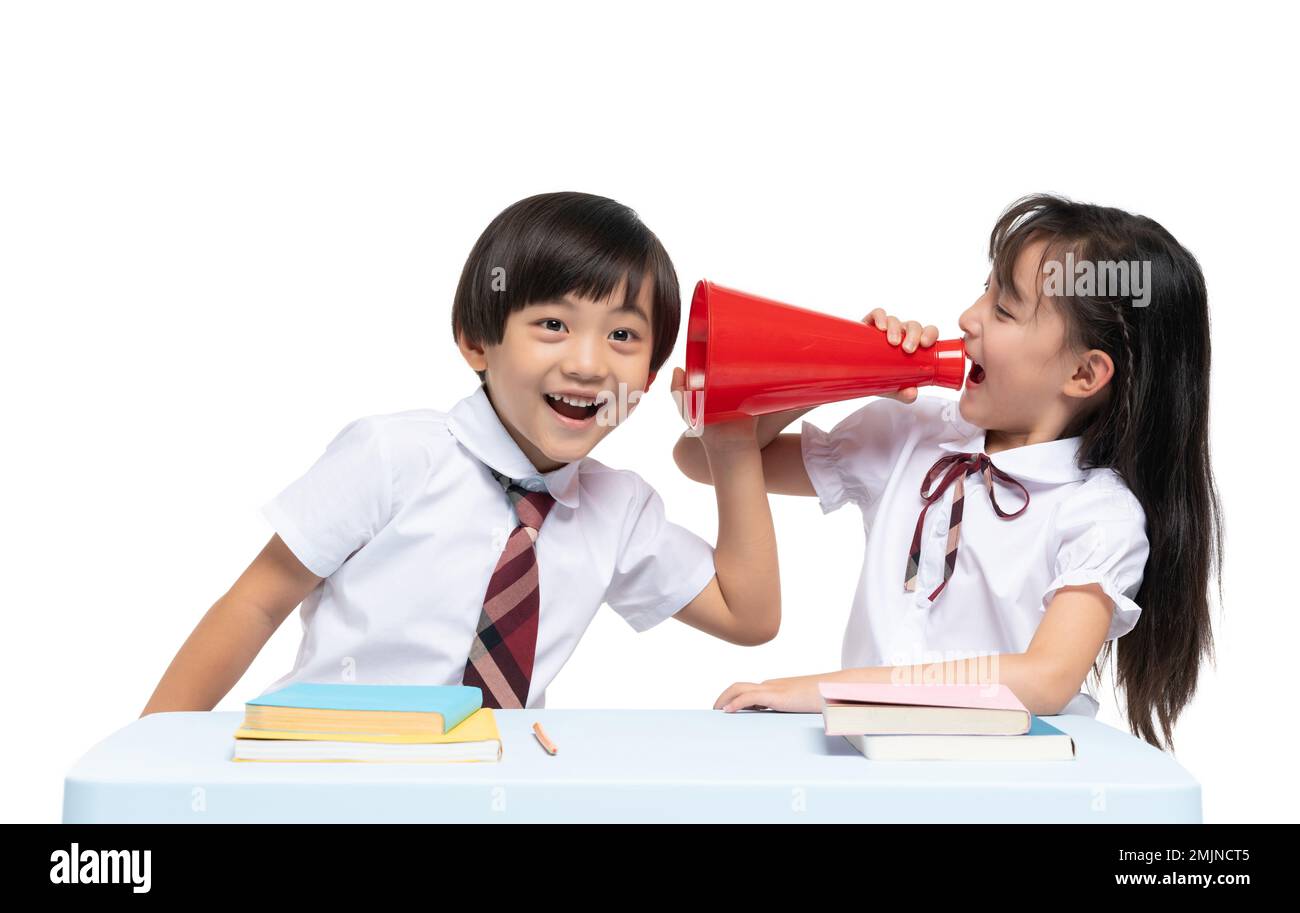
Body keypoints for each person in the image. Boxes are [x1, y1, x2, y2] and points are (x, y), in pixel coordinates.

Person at [142, 191, 778, 715]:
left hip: (486, 787)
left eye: (622, 335)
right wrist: (151, 754)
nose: (587, 363)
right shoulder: (395, 455)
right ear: (478, 341)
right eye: (553, 324)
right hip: (324, 769)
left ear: (647, 375)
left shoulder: (618, 509)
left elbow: (748, 615)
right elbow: (259, 600)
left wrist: (729, 438)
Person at [675, 193, 1222, 750]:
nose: (968, 318)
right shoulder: (914, 430)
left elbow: (1047, 679)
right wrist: (836, 370)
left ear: (1084, 373)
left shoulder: (1097, 512)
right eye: (985, 290)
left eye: (1005, 309)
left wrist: (830, 690)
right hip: (875, 759)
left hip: (1012, 777)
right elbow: (704, 458)